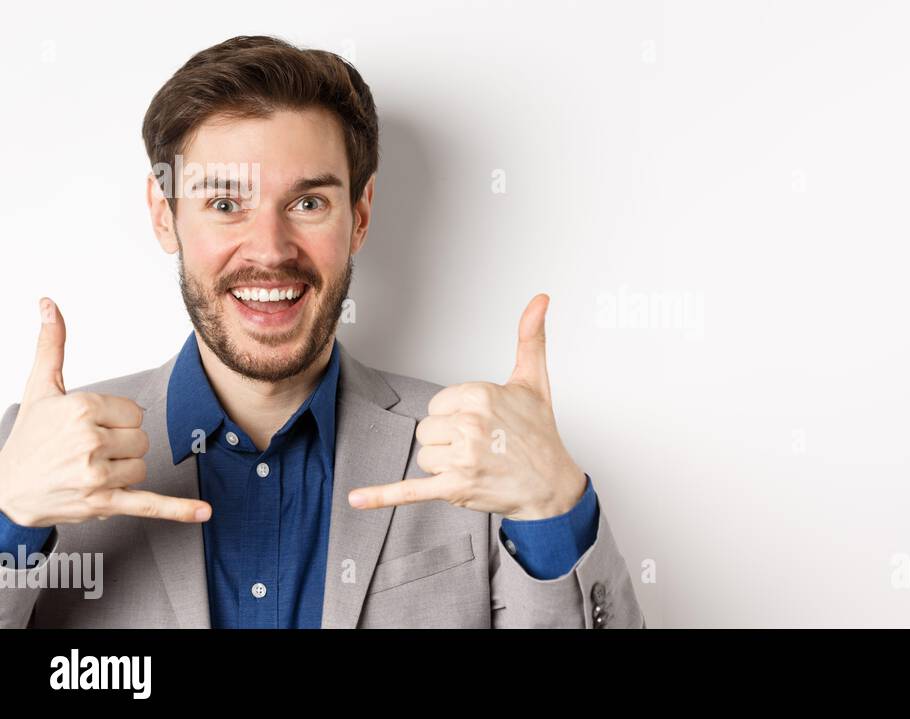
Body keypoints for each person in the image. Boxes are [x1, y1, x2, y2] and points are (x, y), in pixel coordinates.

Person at [0, 35, 642, 629]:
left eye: (308, 204)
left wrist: (556, 510)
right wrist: (8, 523)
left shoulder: (485, 455)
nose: (270, 250)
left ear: (359, 217)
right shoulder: (32, 456)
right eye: (225, 204)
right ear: (165, 217)